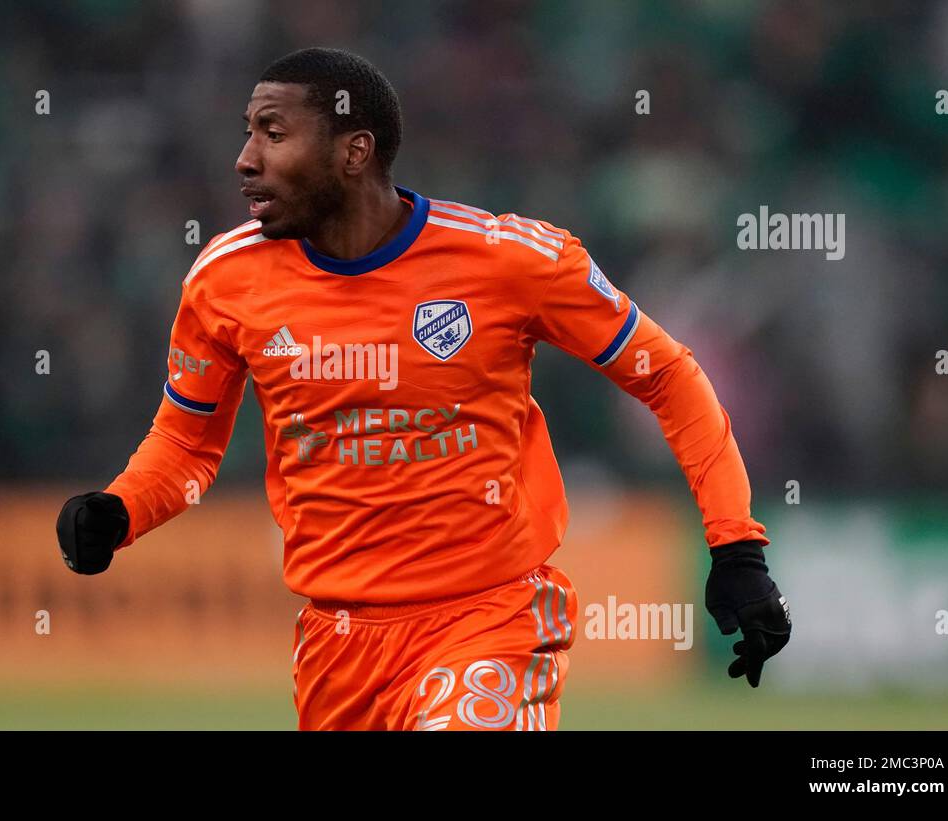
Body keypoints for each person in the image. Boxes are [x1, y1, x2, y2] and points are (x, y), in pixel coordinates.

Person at [56, 47, 791, 730]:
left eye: (272, 134)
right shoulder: (224, 279)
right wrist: (121, 510)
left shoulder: (510, 261)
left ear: (354, 151)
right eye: (247, 133)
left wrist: (737, 547)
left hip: (491, 620)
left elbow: (667, 375)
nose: (245, 160)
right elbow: (187, 444)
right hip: (336, 648)